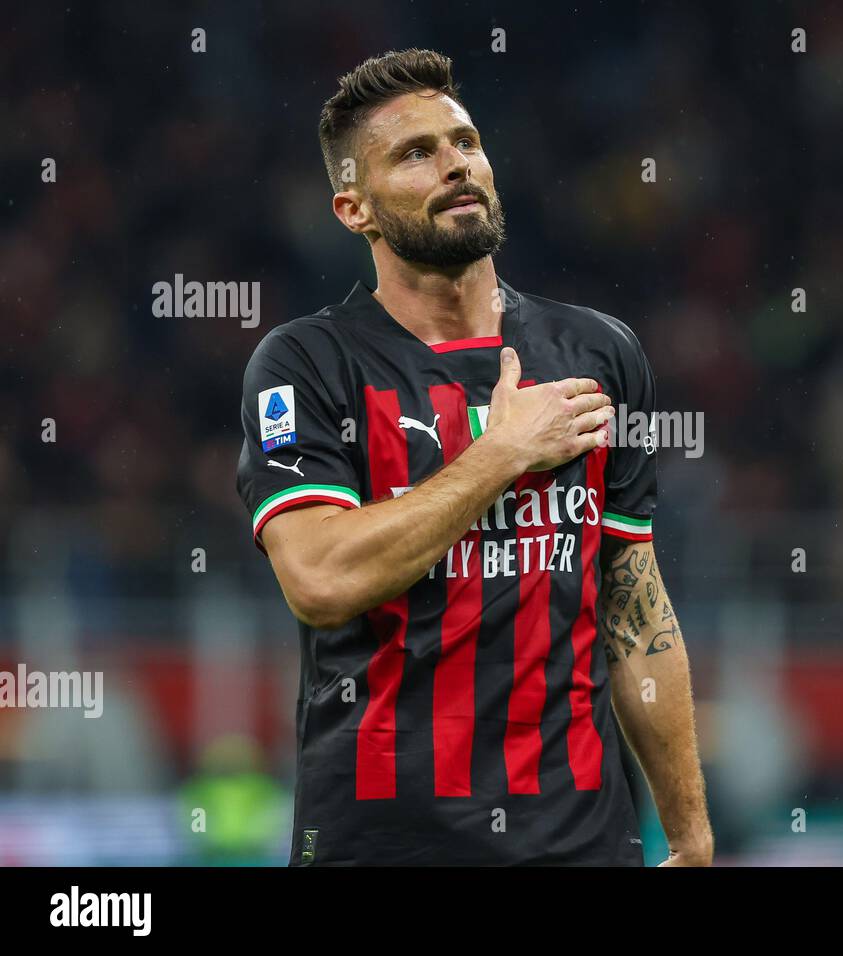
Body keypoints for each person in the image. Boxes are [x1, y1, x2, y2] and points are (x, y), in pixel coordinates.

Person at [234, 48, 712, 866]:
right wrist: (501, 455)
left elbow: (637, 612)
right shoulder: (306, 364)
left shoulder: (598, 351)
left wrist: (692, 835)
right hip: (382, 843)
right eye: (415, 153)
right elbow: (320, 580)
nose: (455, 164)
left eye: (465, 141)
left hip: (582, 841)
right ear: (354, 209)